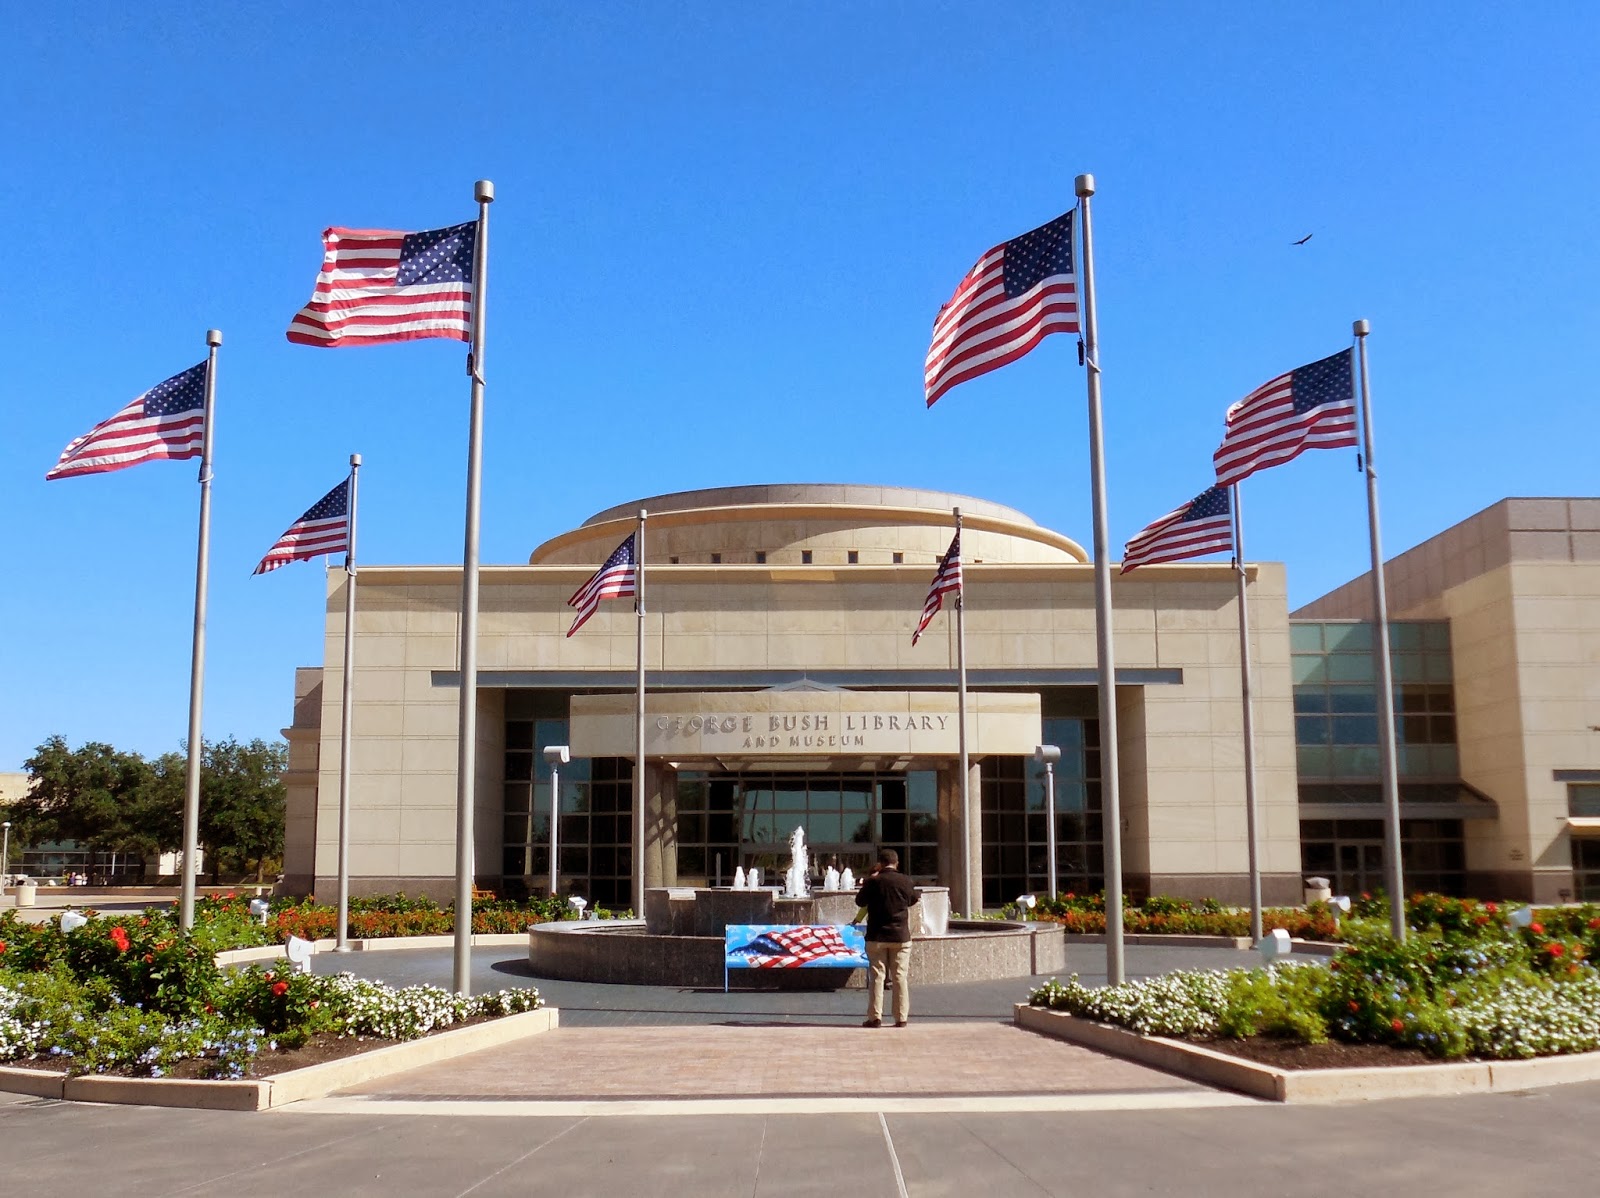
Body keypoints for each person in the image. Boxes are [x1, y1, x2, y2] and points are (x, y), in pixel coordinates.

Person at [853, 847, 920, 1028]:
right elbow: (914, 899)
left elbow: (859, 902)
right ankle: (901, 1017)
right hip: (900, 936)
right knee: (900, 977)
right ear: (896, 863)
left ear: (880, 864)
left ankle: (875, 1017)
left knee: (877, 977)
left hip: (877, 936)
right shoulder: (905, 881)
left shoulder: (874, 882)